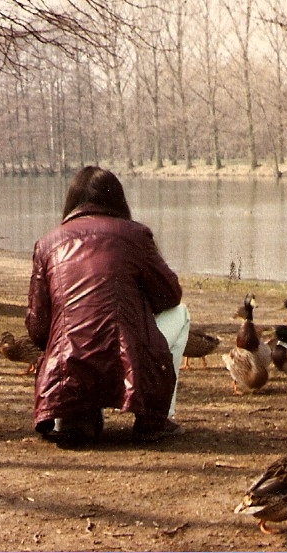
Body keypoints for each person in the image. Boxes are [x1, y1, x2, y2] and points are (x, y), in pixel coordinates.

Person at [25, 166, 186, 449]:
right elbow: (171, 296)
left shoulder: (47, 244)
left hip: (69, 366)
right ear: (118, 199)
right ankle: (154, 419)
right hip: (129, 360)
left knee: (67, 332)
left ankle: (75, 415)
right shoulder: (135, 235)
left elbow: (38, 327)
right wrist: (136, 300)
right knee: (180, 315)